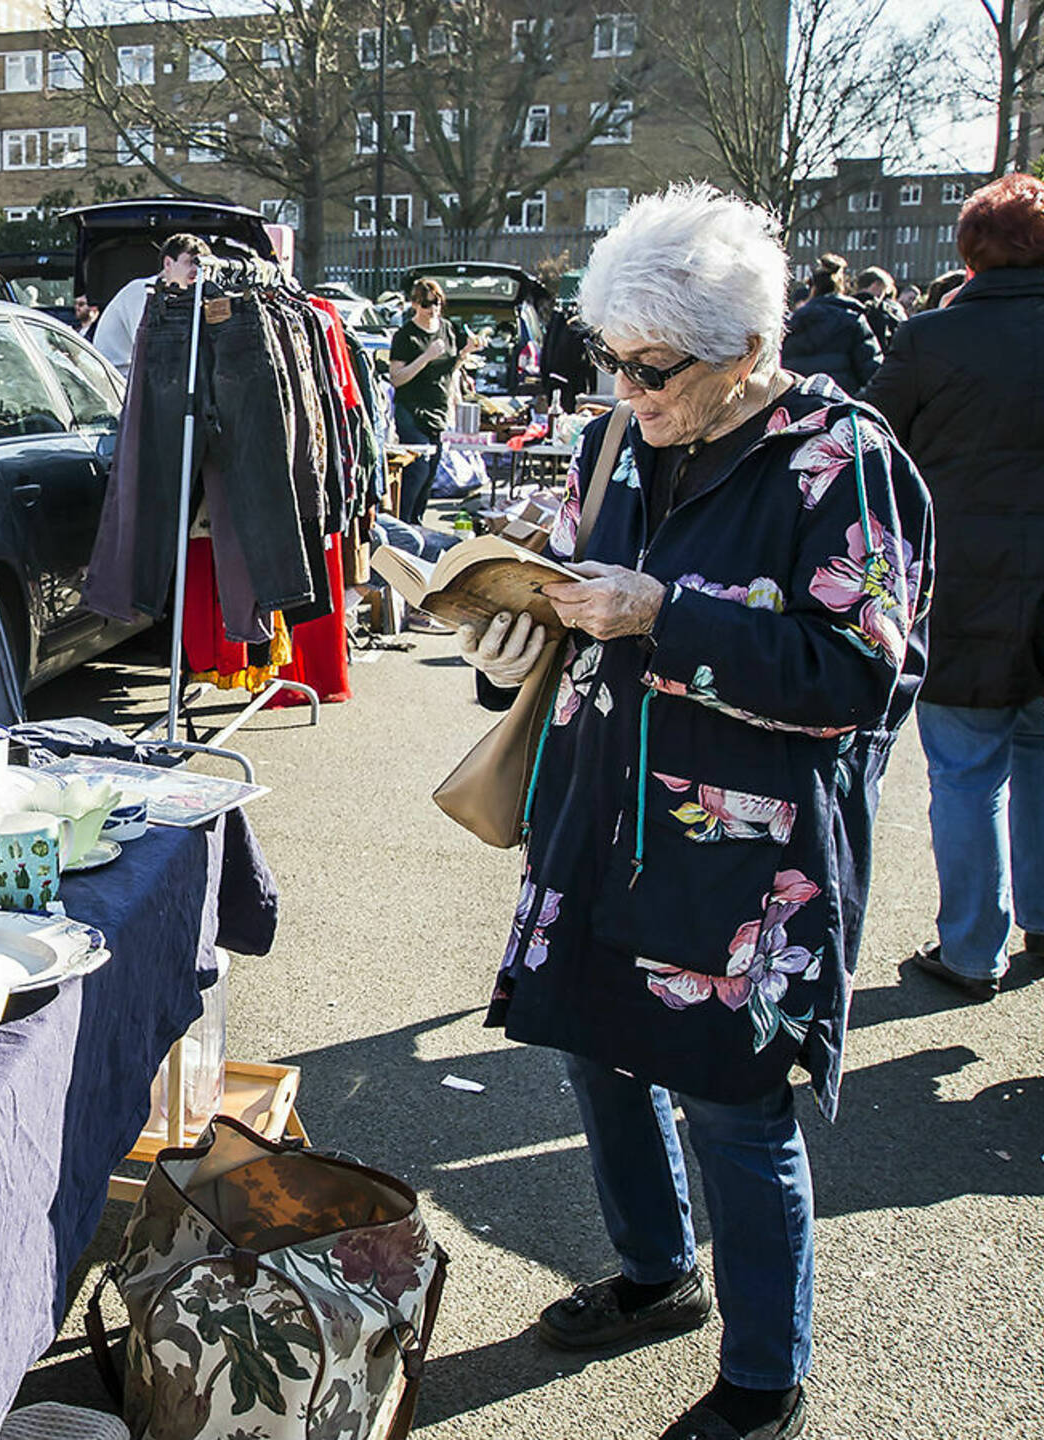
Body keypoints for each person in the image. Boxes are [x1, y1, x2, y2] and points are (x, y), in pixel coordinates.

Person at [456, 183, 931, 1440]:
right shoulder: (622, 441)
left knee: (736, 1108)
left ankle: (765, 1376)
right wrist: (508, 643)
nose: (629, 394)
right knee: (598, 1053)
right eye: (614, 363)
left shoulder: (843, 461)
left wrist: (667, 618)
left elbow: (861, 678)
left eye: (653, 370)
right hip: (600, 814)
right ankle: (656, 1272)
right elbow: (568, 594)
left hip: (743, 854)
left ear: (748, 353)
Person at [861, 174, 1044, 1000]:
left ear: (969, 250)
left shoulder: (930, 340)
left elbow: (865, 439)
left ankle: (974, 947)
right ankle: (1039, 917)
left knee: (968, 772)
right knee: (1036, 759)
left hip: (964, 588)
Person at [388, 276, 483, 523]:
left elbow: (450, 370)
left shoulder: (447, 329)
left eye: (437, 303)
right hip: (411, 410)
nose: (433, 309)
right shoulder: (406, 336)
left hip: (438, 409)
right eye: (427, 304)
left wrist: (464, 354)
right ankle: (403, 522)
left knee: (431, 472)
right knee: (418, 468)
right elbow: (396, 377)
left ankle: (416, 522)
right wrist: (426, 357)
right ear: (415, 305)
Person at [90, 233, 210, 378]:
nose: (196, 270)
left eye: (202, 266)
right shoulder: (144, 291)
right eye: (190, 262)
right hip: (116, 378)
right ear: (168, 263)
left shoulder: (178, 297)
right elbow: (148, 348)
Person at [779, 252, 883, 392]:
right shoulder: (853, 320)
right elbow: (872, 372)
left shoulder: (793, 322)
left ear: (812, 287)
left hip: (798, 401)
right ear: (841, 285)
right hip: (840, 401)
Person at [853, 265, 905, 353]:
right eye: (883, 290)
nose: (883, 296)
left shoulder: (846, 305)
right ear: (876, 285)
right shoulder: (879, 309)